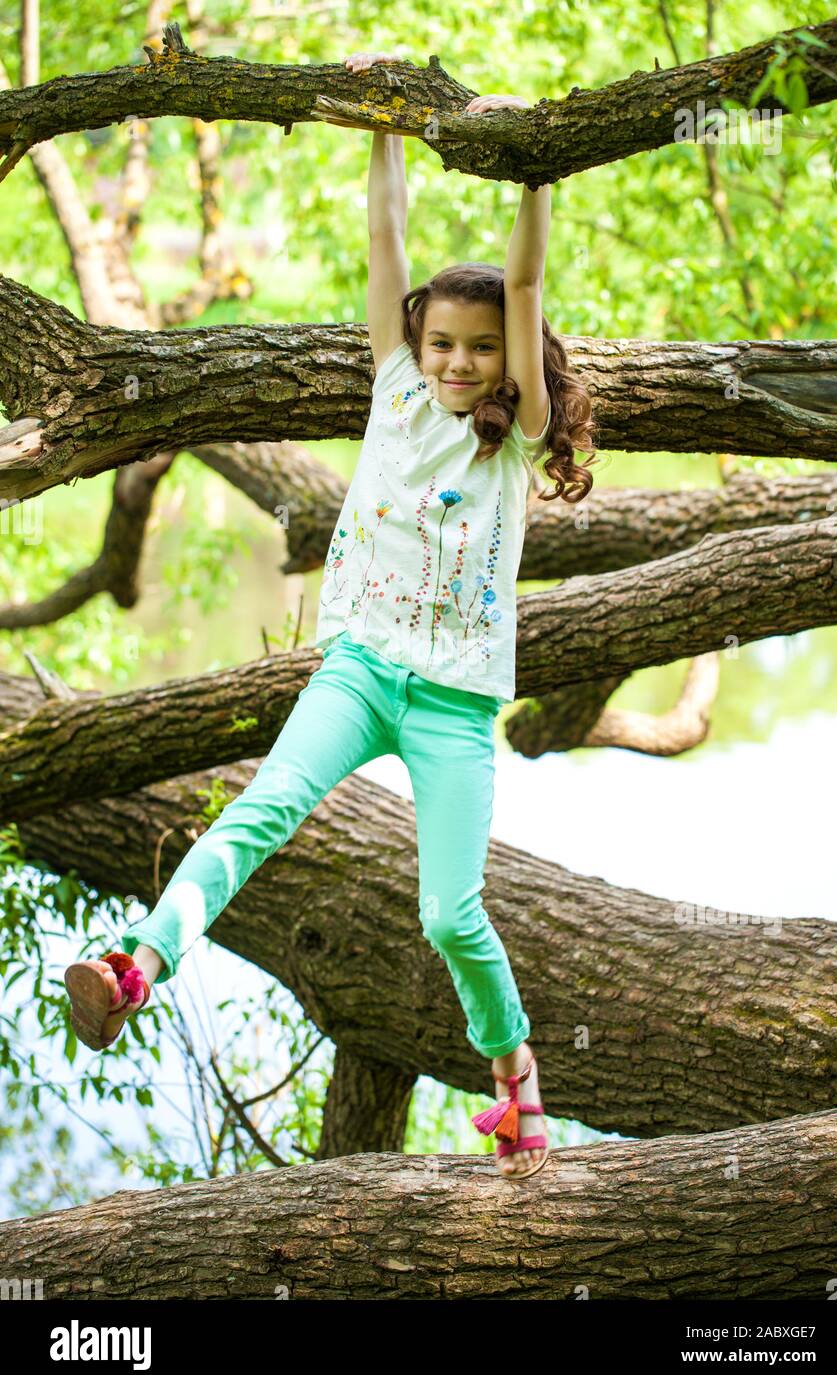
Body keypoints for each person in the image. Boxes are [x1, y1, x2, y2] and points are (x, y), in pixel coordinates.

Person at [64, 52, 597, 1181]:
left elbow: (530, 285)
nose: (455, 362)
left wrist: (535, 178)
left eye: (478, 347)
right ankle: (135, 964)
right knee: (259, 811)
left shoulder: (515, 430)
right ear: (415, 343)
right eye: (441, 341)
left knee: (451, 913)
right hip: (358, 669)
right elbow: (385, 240)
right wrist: (383, 127)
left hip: (452, 701)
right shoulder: (395, 386)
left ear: (507, 357)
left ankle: (512, 1076)